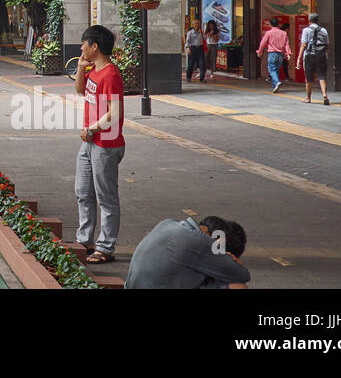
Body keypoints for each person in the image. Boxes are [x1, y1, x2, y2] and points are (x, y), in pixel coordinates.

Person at [74, 24, 125, 265]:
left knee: (106, 197)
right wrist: (81, 68)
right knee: (84, 192)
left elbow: (114, 114)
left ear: (95, 46)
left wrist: (92, 129)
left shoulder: (111, 75)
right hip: (90, 141)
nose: (81, 47)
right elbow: (80, 91)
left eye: (85, 43)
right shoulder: (94, 70)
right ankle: (85, 241)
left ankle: (105, 247)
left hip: (106, 143)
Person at [125, 215, 251, 289]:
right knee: (237, 286)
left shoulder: (169, 223)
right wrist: (228, 260)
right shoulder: (201, 243)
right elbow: (243, 275)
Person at [296, 12, 331, 105]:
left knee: (309, 77)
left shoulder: (306, 30)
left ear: (309, 20)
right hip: (321, 55)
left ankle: (308, 98)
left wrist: (299, 58)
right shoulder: (324, 30)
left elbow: (303, 44)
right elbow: (327, 45)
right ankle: (324, 95)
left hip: (309, 55)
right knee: (322, 76)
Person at [256, 17, 291, 93]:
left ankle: (277, 82)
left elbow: (263, 43)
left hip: (272, 53)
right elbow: (287, 44)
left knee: (271, 69)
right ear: (278, 24)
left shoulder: (268, 33)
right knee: (276, 70)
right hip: (281, 55)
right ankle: (275, 86)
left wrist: (259, 52)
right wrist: (288, 53)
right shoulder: (284, 33)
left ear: (270, 25)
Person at [184, 18, 205, 83]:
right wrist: (188, 48)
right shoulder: (190, 33)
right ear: (193, 24)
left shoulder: (202, 32)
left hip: (200, 49)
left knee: (202, 64)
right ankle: (188, 77)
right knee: (191, 64)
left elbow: (204, 39)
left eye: (198, 23)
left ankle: (202, 78)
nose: (197, 25)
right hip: (192, 49)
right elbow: (187, 41)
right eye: (195, 23)